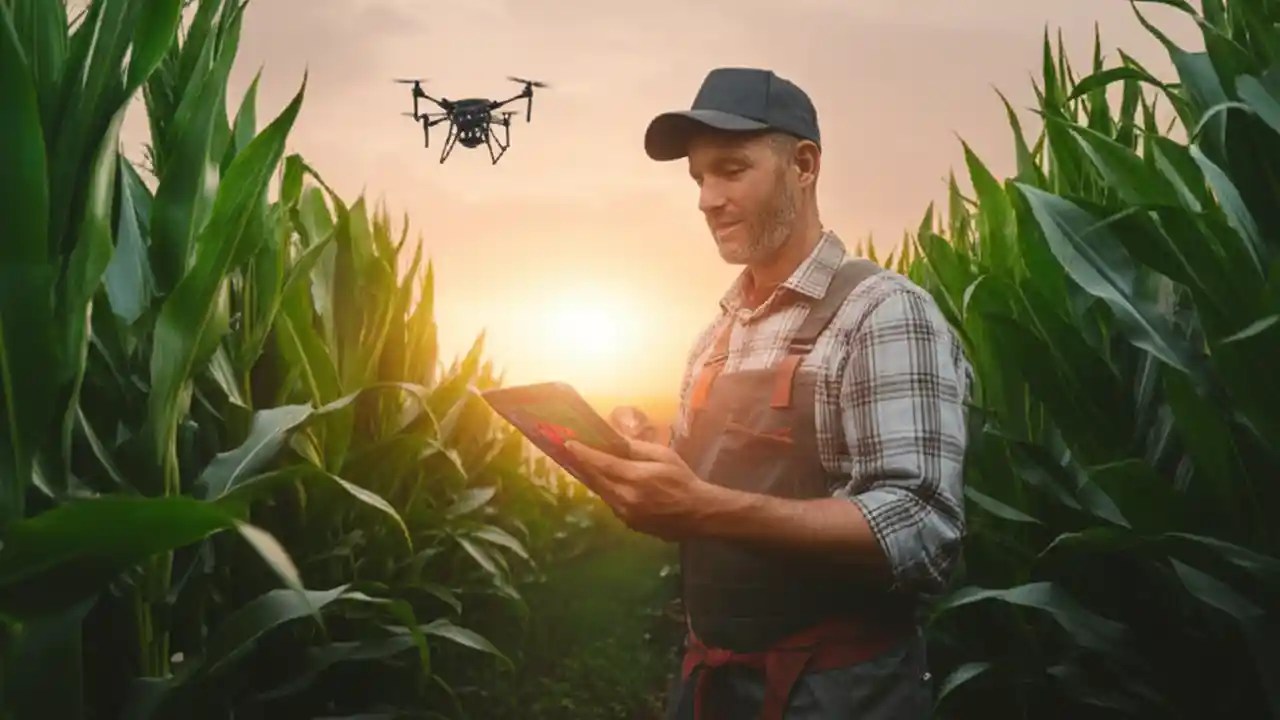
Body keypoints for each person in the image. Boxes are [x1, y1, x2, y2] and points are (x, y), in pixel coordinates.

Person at [566, 67, 973, 719]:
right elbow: (698, 494)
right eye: (699, 177)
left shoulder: (882, 313)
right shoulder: (714, 339)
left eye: (731, 169)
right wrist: (643, 465)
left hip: (842, 693)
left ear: (804, 165)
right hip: (713, 688)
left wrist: (702, 506)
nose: (707, 198)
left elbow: (920, 528)